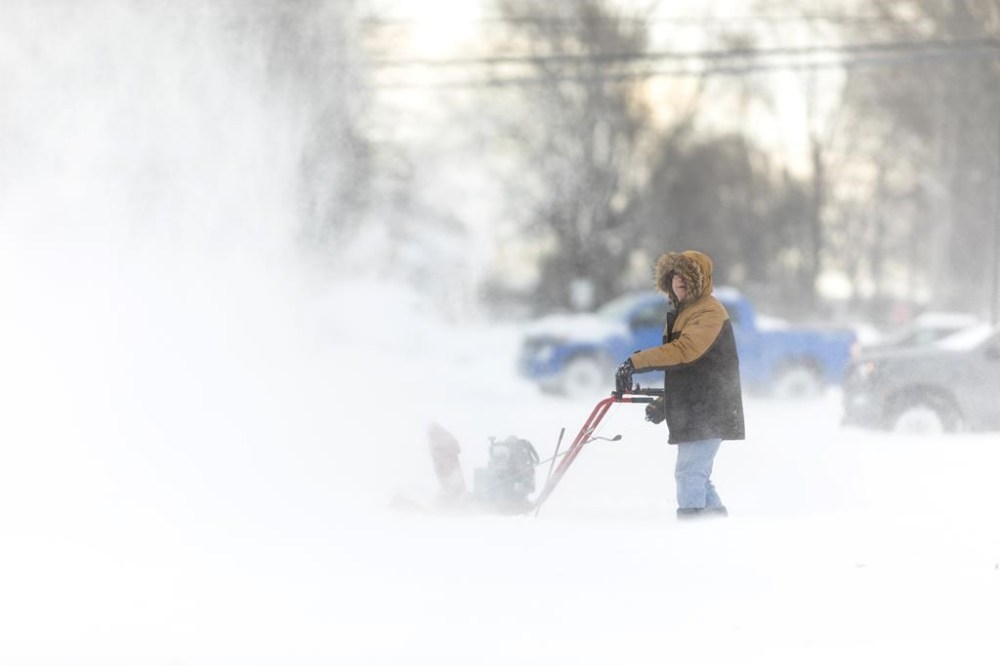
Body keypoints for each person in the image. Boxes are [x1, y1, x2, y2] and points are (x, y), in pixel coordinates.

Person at [618, 250, 745, 519]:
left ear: (701, 280)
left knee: (689, 473)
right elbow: (690, 370)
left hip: (711, 407)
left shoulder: (709, 311)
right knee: (698, 475)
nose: (680, 281)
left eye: (688, 276)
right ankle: (716, 528)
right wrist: (667, 403)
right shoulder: (685, 312)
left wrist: (636, 362)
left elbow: (685, 351)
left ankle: (692, 534)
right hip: (701, 405)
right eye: (675, 275)